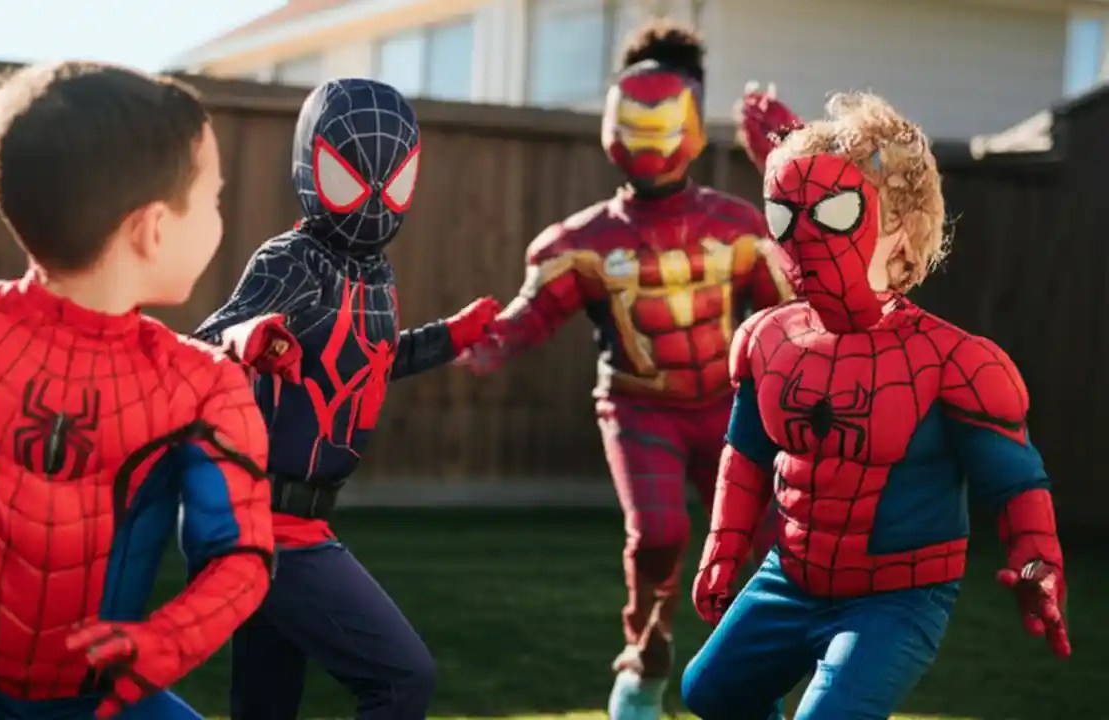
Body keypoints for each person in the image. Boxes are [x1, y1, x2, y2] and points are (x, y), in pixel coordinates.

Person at [0, 61, 288, 719]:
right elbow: (246, 555)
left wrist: (167, 641)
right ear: (153, 228)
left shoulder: (201, 387)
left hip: (99, 693)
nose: (218, 218)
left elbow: (240, 557)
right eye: (213, 199)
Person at [681, 91, 1070, 720]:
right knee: (711, 691)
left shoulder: (957, 363)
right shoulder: (766, 341)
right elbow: (745, 454)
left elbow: (1017, 480)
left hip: (901, 592)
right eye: (785, 219)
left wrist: (1037, 564)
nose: (803, 240)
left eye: (833, 215)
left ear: (903, 228)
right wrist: (724, 545)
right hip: (792, 571)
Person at [456, 21, 792, 720]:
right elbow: (528, 314)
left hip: (728, 407)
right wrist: (475, 342)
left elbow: (800, 306)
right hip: (639, 408)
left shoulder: (741, 228)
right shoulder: (580, 245)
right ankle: (646, 656)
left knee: (761, 543)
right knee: (661, 532)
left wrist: (791, 173)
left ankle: (752, 677)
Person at [193, 77, 500, 720]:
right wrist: (246, 336)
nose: (374, 201)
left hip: (301, 520)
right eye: (351, 177)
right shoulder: (292, 259)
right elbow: (200, 345)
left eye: (394, 181)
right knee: (401, 678)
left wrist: (452, 336)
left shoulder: (373, 272)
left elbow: (371, 363)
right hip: (266, 524)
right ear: (313, 164)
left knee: (265, 704)